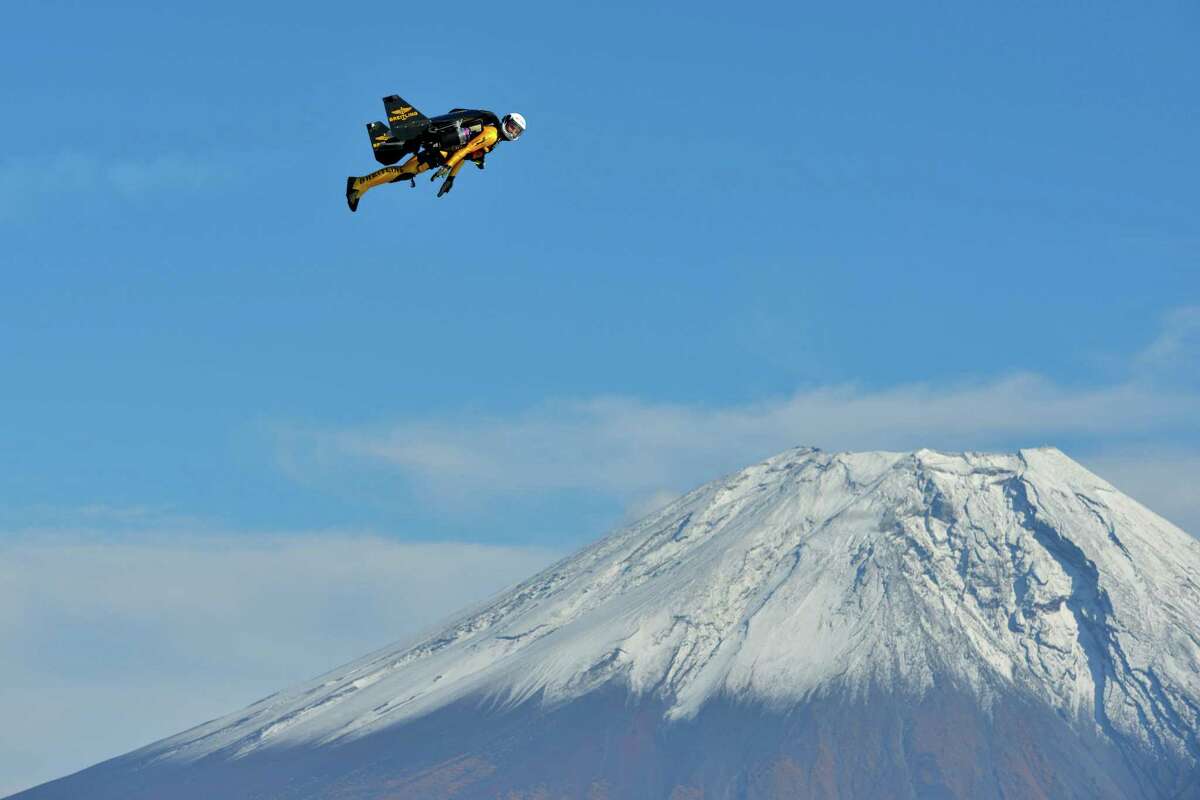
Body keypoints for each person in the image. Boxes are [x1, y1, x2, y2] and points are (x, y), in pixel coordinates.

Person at [346, 112, 525, 210]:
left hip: (443, 154)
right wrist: (448, 167)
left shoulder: (495, 138)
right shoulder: (492, 135)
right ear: (506, 121)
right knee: (404, 172)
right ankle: (359, 184)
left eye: (516, 131)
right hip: (439, 154)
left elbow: (466, 155)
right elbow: (466, 149)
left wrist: (451, 178)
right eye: (512, 126)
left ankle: (360, 185)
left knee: (404, 173)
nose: (512, 131)